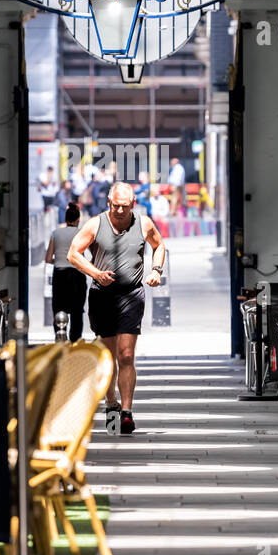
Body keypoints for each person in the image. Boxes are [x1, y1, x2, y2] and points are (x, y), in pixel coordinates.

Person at [67, 181, 166, 435]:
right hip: (102, 296)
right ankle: (111, 405)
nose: (120, 211)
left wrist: (156, 270)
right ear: (108, 203)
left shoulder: (143, 223)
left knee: (126, 356)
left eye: (125, 206)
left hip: (131, 296)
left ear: (133, 204)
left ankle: (126, 414)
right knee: (108, 359)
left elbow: (159, 246)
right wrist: (95, 273)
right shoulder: (95, 224)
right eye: (115, 206)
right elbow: (73, 254)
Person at [45, 202, 86, 342]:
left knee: (59, 308)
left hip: (60, 275)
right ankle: (75, 342)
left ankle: (60, 338)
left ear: (65, 218)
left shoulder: (56, 233)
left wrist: (59, 260)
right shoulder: (82, 233)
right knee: (77, 311)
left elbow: (48, 258)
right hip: (77, 275)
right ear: (78, 219)